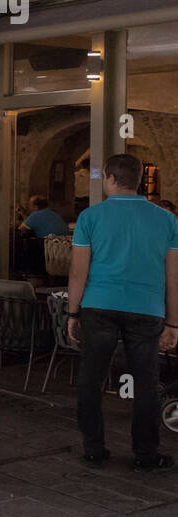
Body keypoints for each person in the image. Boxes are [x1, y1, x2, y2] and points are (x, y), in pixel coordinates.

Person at [68, 153, 178, 471]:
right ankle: (145, 454)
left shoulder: (90, 217)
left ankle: (94, 449)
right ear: (140, 179)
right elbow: (173, 276)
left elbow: (78, 272)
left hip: (99, 306)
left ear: (111, 179)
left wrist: (73, 313)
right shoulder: (167, 220)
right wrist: (173, 321)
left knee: (91, 379)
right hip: (147, 309)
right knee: (146, 382)